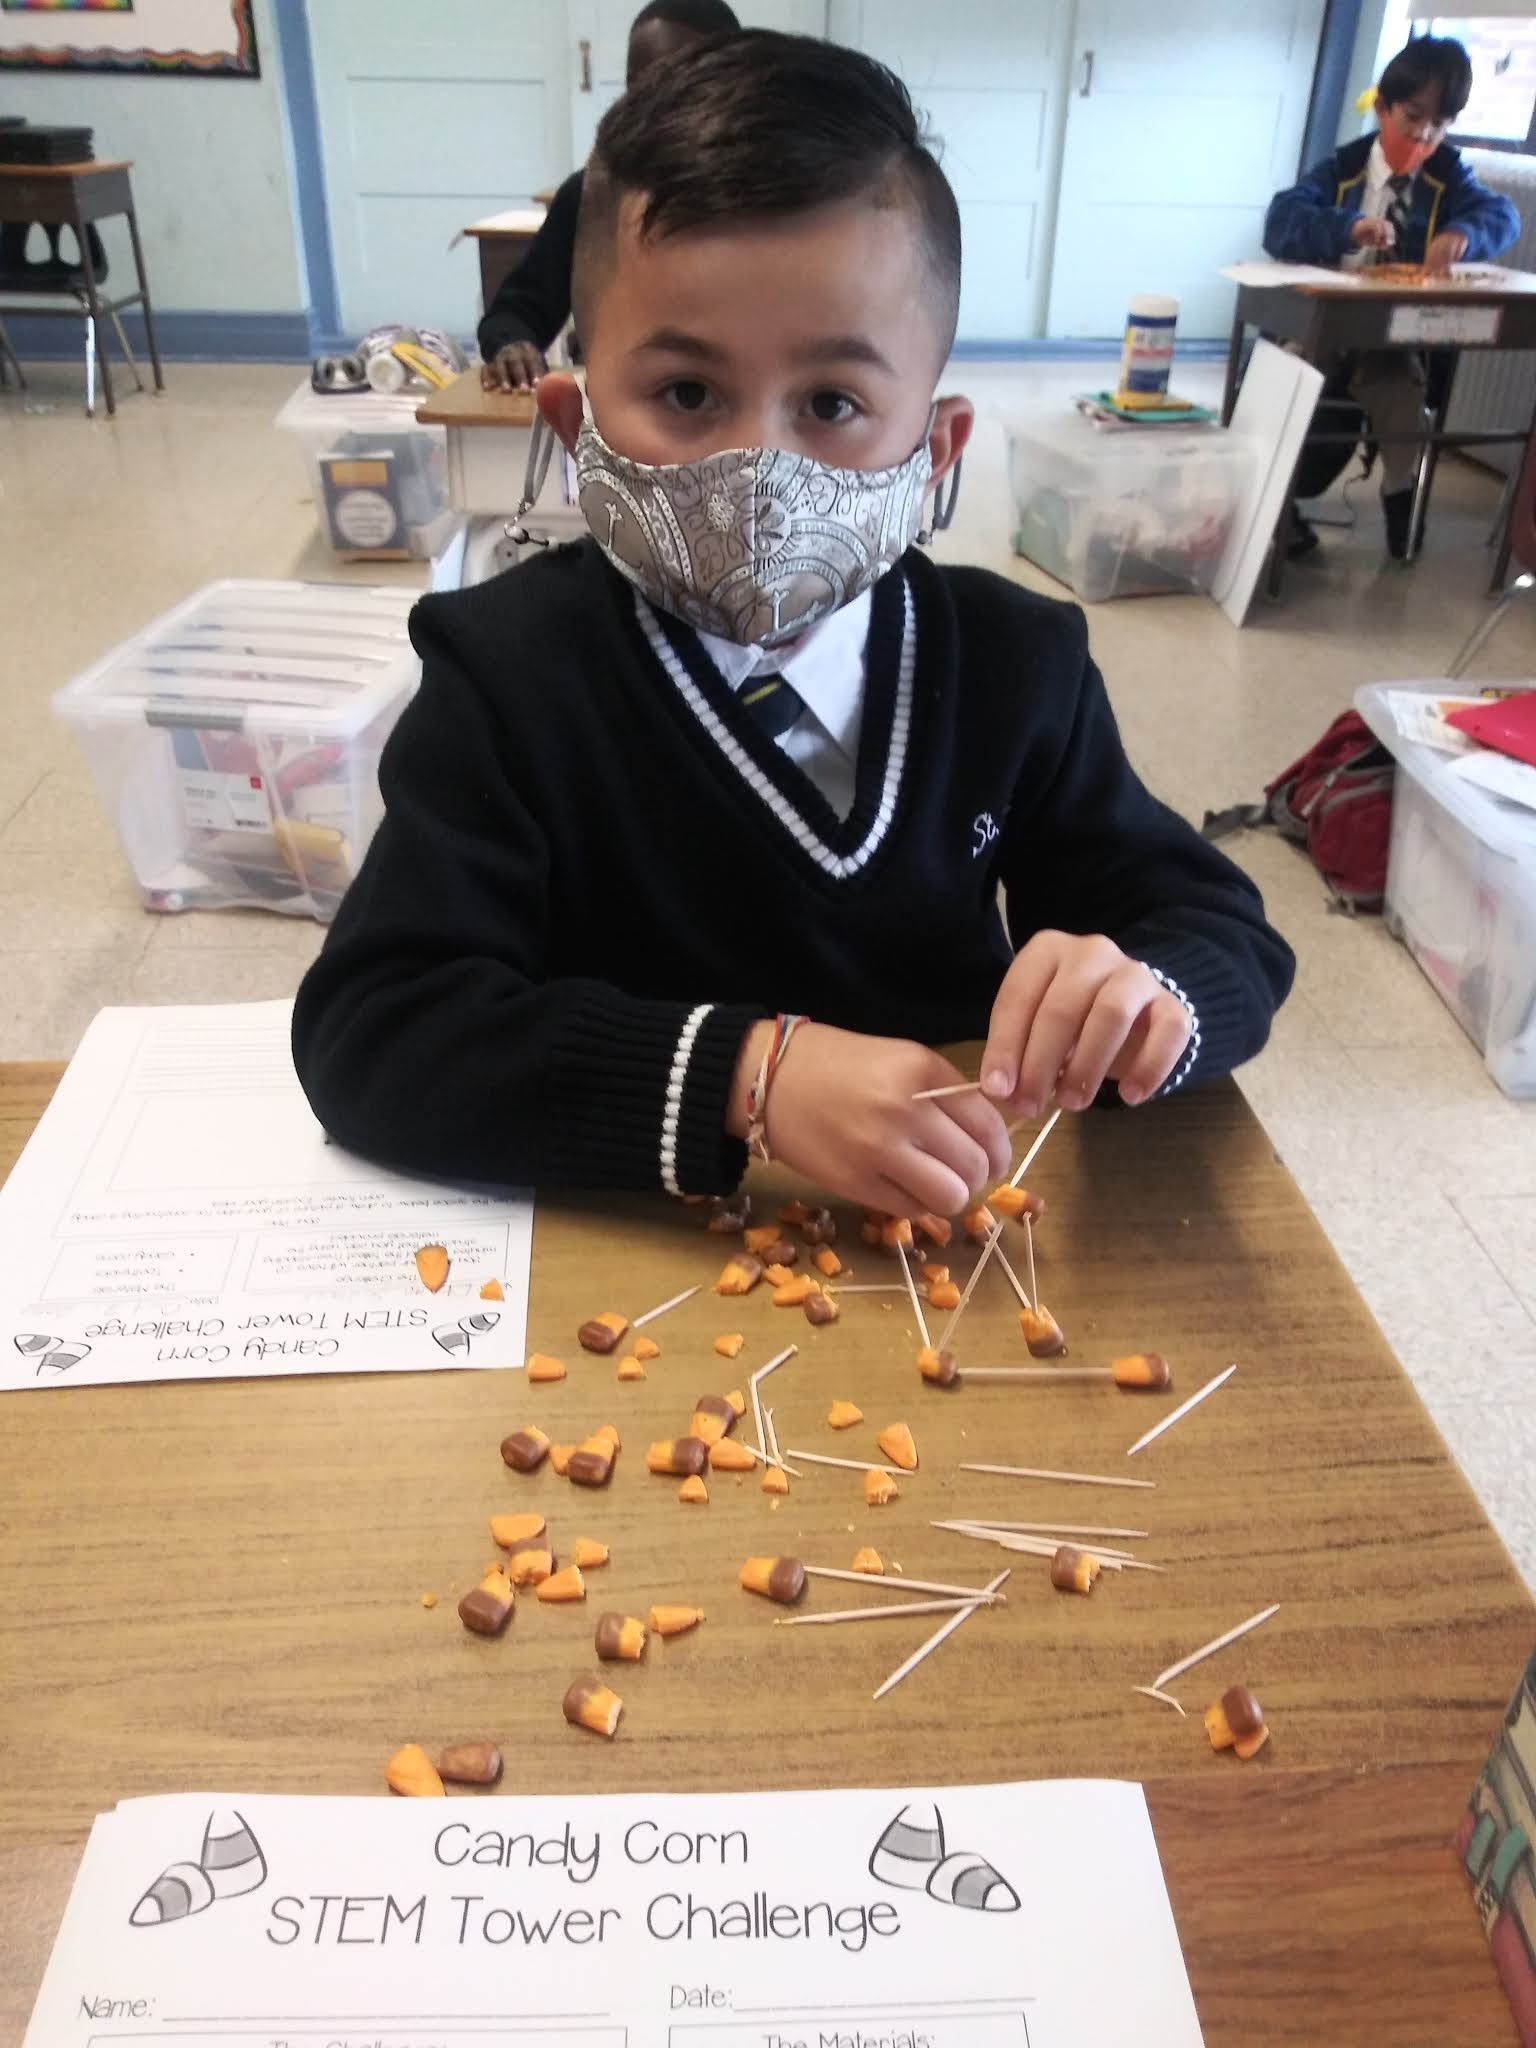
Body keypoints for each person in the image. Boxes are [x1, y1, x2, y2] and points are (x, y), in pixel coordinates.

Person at [293, 32, 1294, 1218]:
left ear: (938, 448)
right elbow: (375, 1030)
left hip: (950, 1250)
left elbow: (1220, 928)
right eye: (686, 394)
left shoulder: (1017, 665)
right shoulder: (507, 673)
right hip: (643, 1265)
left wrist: (1145, 994)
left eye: (832, 402)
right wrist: (746, 1074)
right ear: (573, 426)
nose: (755, 468)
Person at [1264, 34, 1519, 561]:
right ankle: (1276, 508)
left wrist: (1465, 235)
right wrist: (1348, 228)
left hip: (1393, 338)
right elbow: (1282, 220)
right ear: (1382, 107)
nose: (1424, 133)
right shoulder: (1343, 169)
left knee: (1404, 400)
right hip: (1324, 328)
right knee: (1281, 384)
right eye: (1412, 116)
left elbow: (1503, 216)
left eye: (1440, 123)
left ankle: (1401, 503)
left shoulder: (1449, 176)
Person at [478, 0, 741, 391]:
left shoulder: (773, 203)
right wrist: (513, 345)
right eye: (638, 83)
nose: (651, 101)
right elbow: (516, 312)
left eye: (679, 82)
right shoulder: (592, 196)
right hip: (619, 412)